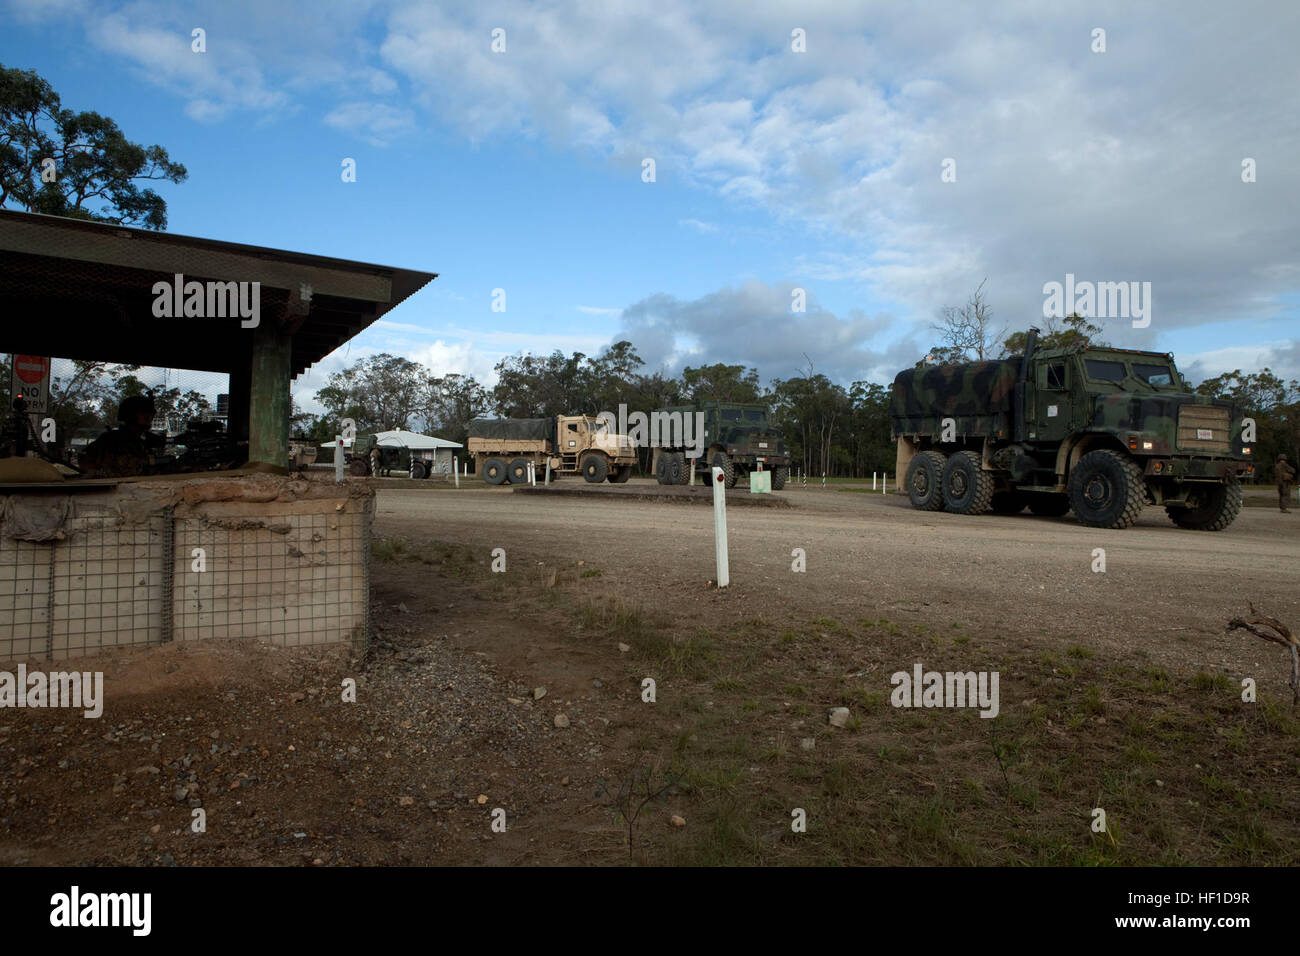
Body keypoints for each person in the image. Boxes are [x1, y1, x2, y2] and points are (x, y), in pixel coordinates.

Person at [81, 395, 157, 478]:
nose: (149, 418)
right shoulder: (110, 440)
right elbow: (85, 462)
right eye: (144, 414)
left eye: (150, 415)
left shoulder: (142, 443)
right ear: (130, 415)